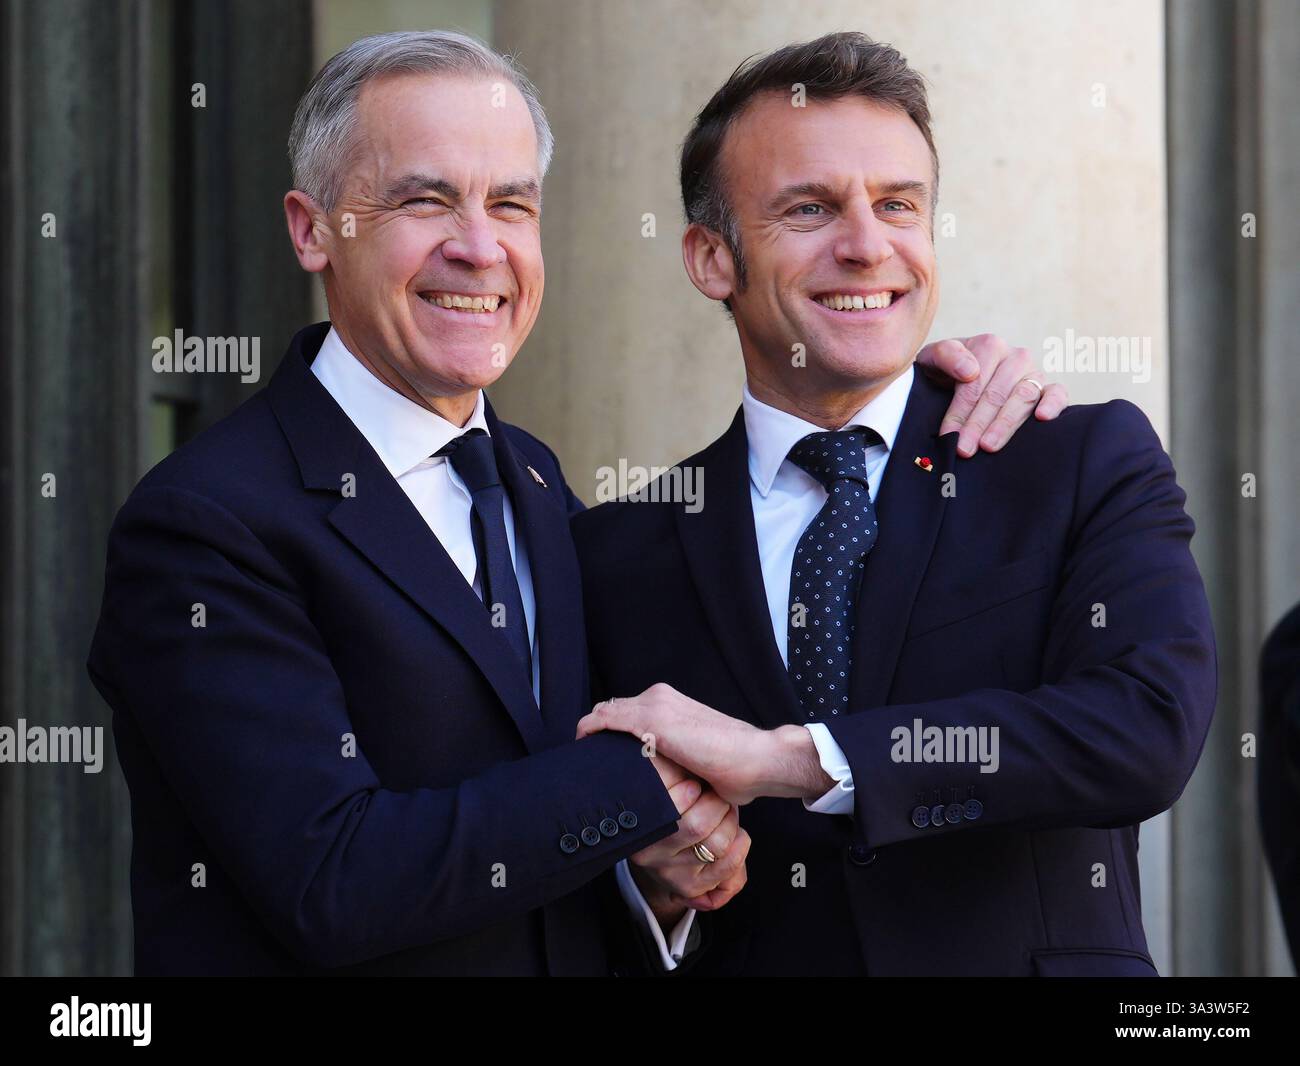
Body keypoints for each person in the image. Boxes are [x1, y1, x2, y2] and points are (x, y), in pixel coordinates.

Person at [88, 30, 1063, 975]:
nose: (478, 248)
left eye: (510, 204)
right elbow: (329, 880)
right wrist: (641, 780)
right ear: (313, 230)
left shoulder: (538, 481)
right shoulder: (206, 522)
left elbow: (539, 854)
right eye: (426, 200)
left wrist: (659, 882)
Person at [574, 31, 1216, 976]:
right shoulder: (613, 552)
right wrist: (658, 885)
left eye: (899, 205)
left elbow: (1145, 729)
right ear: (713, 258)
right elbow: (576, 859)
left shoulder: (1075, 459)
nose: (868, 245)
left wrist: (804, 759)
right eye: (810, 208)